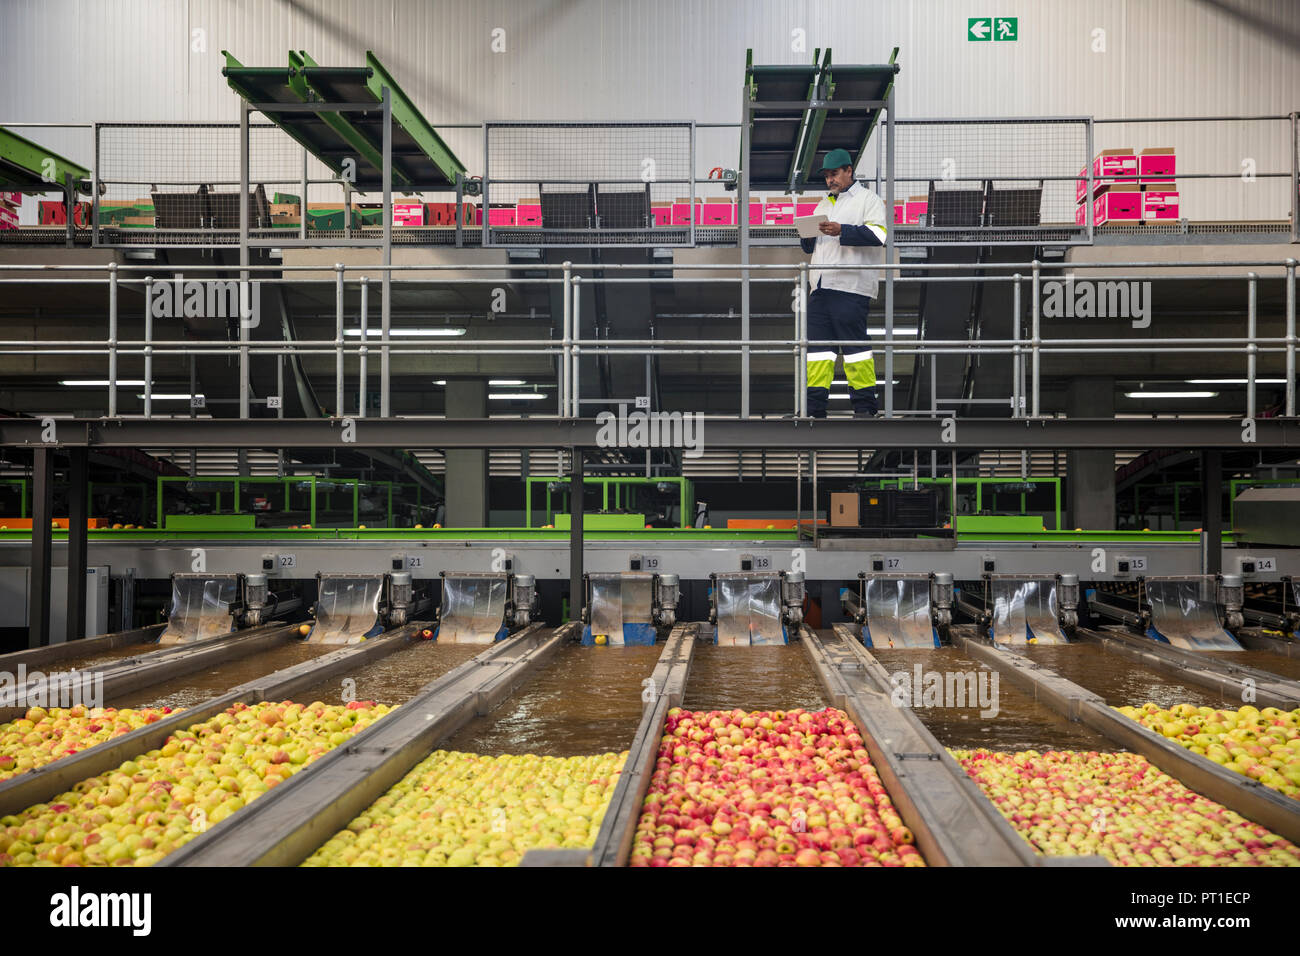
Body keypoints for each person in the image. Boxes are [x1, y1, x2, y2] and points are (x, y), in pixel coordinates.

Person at [798, 148, 888, 418]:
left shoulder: (868, 200)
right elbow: (810, 247)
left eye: (834, 174)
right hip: (821, 288)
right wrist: (806, 234)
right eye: (826, 176)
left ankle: (865, 409)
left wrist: (842, 230)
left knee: (855, 349)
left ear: (849, 170)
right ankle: (814, 409)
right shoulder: (824, 204)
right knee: (817, 352)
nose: (830, 180)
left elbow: (879, 235)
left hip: (851, 287)